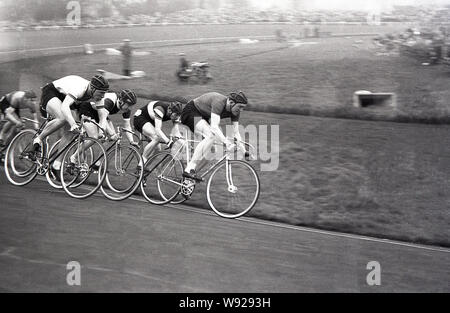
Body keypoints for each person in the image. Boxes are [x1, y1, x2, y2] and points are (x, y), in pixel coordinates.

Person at [33, 74, 109, 176]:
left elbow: (103, 116)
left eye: (104, 93)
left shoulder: (98, 96)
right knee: (63, 118)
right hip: (52, 92)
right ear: (92, 88)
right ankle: (38, 138)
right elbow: (64, 107)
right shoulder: (80, 88)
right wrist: (72, 123)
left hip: (67, 97)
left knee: (70, 133)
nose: (103, 96)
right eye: (101, 93)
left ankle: (56, 165)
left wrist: (101, 131)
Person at [179, 91, 248, 180]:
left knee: (213, 151)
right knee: (211, 135)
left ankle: (191, 177)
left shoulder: (235, 111)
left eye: (243, 108)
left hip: (204, 116)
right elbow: (214, 127)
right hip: (191, 111)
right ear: (231, 102)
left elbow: (236, 132)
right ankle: (189, 169)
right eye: (240, 107)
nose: (241, 110)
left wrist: (244, 152)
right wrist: (227, 143)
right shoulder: (219, 102)